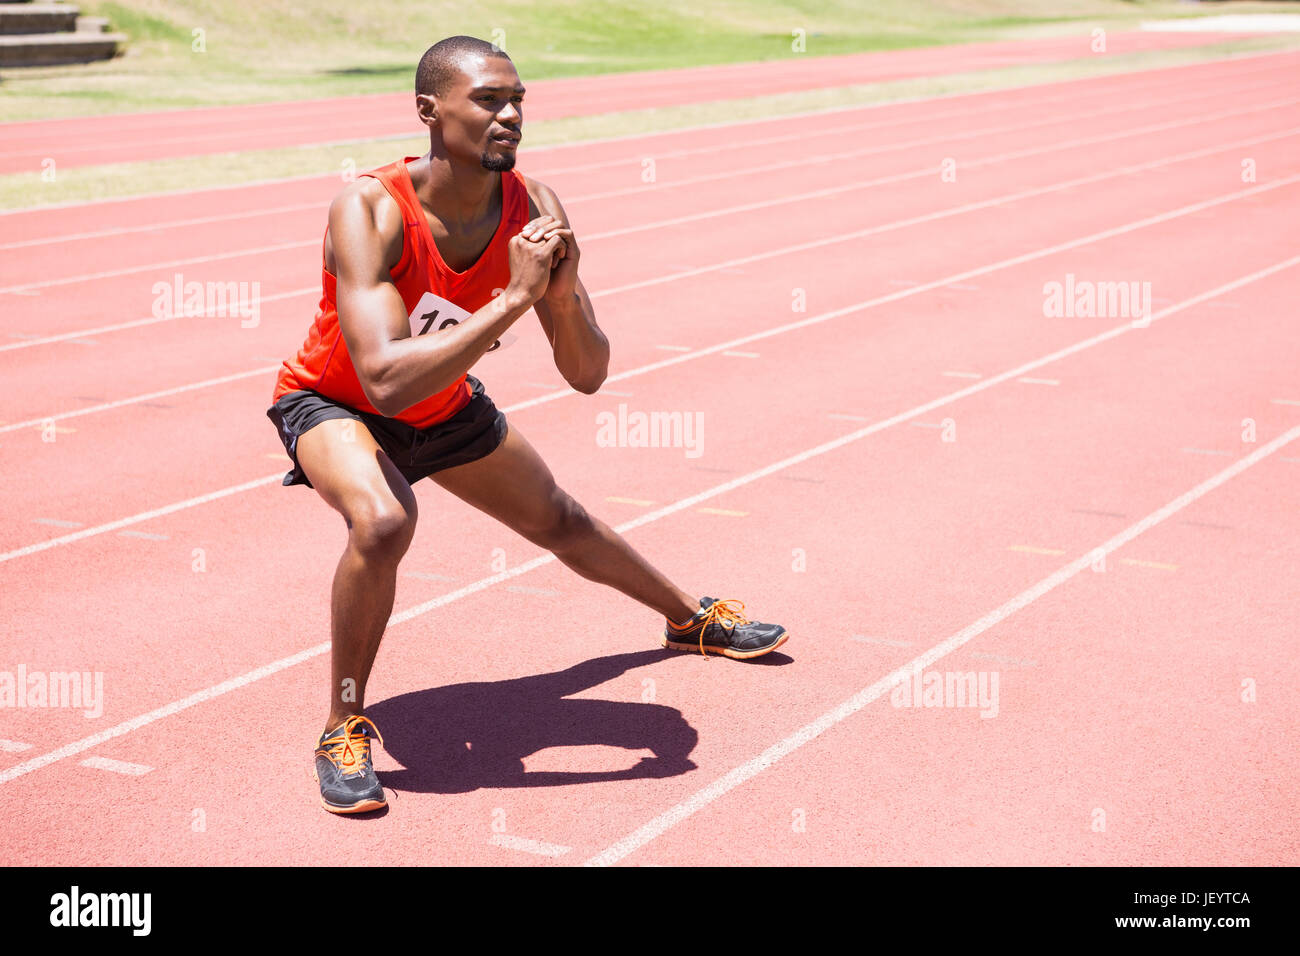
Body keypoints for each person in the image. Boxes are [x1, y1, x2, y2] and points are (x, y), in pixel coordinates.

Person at [265, 35, 789, 815]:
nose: (510, 115)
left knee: (561, 519)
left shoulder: (537, 209)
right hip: (337, 403)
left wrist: (565, 289)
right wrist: (511, 299)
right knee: (382, 521)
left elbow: (586, 374)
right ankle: (343, 727)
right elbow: (380, 373)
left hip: (441, 401)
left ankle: (690, 622)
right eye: (487, 101)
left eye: (518, 101)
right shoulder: (368, 209)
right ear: (428, 112)